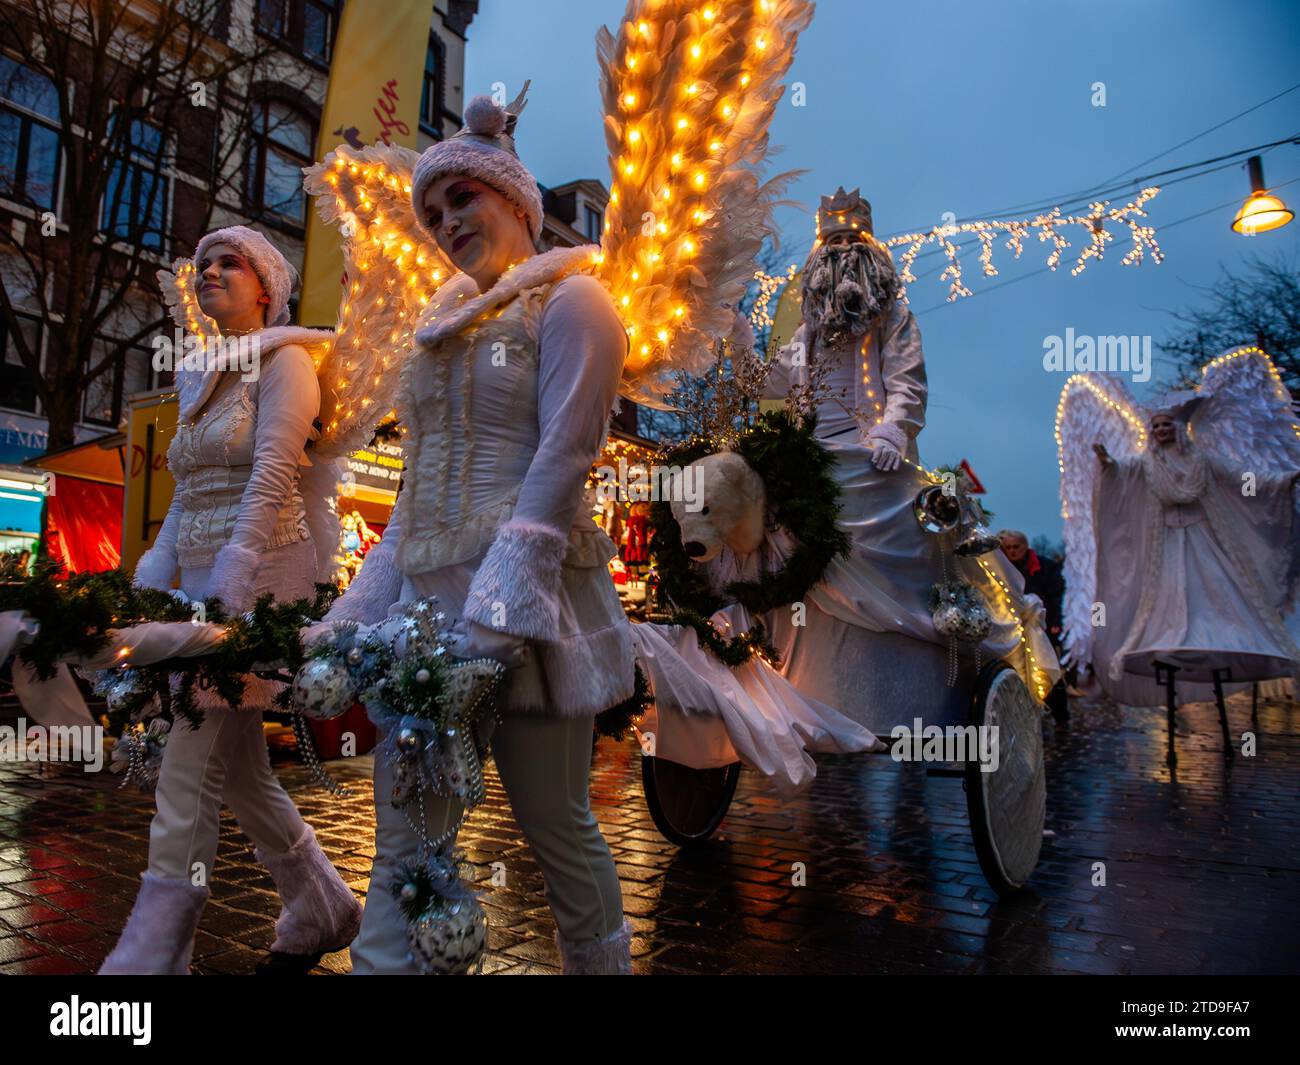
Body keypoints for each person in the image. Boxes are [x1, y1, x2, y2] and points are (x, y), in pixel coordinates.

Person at [318, 92, 635, 974]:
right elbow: (414, 506)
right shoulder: (436, 335)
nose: (446, 221)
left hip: (527, 624)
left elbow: (560, 468)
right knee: (404, 845)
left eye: (464, 198)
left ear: (518, 202)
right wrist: (348, 618)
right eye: (433, 211)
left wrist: (494, 622)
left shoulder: (572, 303)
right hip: (422, 624)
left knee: (558, 831)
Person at [100, 226, 361, 975]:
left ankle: (152, 955)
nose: (209, 271)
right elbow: (185, 490)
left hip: (258, 584)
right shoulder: (199, 370)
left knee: (188, 763)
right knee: (241, 769)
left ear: (266, 286)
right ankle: (323, 907)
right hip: (192, 585)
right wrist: (152, 578)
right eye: (204, 262)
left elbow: (273, 474)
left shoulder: (289, 361)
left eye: (229, 263)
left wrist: (230, 586)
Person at [762, 188, 1060, 732]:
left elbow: (907, 382)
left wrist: (892, 430)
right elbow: (776, 380)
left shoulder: (891, 317)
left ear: (871, 247)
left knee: (914, 551)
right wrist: (738, 345)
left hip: (873, 459)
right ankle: (807, 693)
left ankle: (904, 698)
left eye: (851, 240)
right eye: (831, 241)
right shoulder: (805, 333)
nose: (840, 250)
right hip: (814, 463)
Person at [999, 530, 1070, 721]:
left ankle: (1060, 714)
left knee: (1047, 667)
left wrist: (1055, 622)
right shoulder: (1002, 568)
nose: (1012, 551)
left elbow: (1056, 597)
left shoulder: (1045, 567)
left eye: (1016, 547)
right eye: (1008, 548)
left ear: (1025, 547)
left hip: (1043, 626)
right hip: (1014, 627)